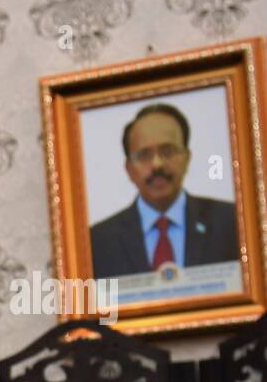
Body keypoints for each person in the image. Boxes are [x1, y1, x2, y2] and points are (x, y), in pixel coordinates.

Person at [89, 103, 239, 278]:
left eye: (168, 151)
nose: (157, 164)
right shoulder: (98, 241)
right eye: (144, 155)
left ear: (187, 158)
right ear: (129, 169)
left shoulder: (232, 222)